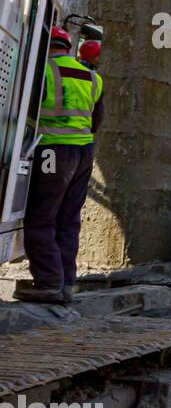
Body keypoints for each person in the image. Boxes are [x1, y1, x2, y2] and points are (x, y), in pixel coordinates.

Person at [14, 26, 105, 304]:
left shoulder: (42, 71)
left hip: (53, 151)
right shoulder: (93, 77)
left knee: (42, 217)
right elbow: (97, 121)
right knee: (68, 219)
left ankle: (48, 283)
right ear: (67, 47)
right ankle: (65, 283)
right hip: (84, 153)